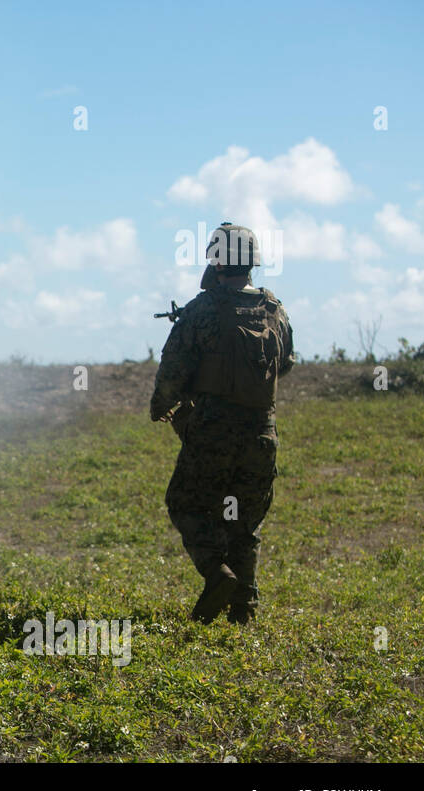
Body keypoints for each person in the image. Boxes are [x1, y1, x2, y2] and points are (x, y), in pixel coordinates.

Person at [150, 222, 295, 624]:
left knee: (186, 503)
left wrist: (163, 407)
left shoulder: (202, 310)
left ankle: (218, 574)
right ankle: (243, 610)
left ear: (216, 261)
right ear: (253, 262)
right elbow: (285, 363)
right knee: (243, 521)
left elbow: (172, 371)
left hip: (212, 430)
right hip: (262, 434)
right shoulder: (274, 309)